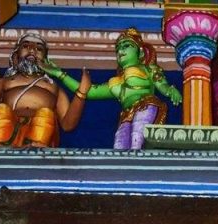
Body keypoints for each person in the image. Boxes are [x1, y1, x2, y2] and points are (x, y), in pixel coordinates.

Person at [44, 28, 181, 150]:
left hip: (146, 106)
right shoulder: (115, 82)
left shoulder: (148, 69)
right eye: (118, 49)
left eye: (127, 46)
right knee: (119, 146)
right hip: (126, 114)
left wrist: (170, 90)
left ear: (140, 53)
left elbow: (161, 84)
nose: (121, 51)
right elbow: (89, 91)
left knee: (137, 139)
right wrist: (60, 74)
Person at [0, 33, 87, 147]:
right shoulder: (5, 81)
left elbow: (67, 125)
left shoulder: (53, 87)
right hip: (6, 127)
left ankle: (37, 148)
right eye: (26, 46)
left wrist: (81, 93)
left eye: (39, 48)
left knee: (45, 114)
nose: (32, 50)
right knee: (2, 110)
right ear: (16, 56)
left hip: (40, 132)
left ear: (46, 61)